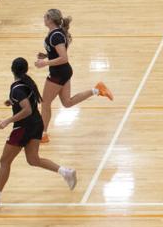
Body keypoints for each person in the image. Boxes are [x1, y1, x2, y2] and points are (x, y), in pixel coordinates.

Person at [0, 58, 79, 208]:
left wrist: (7, 121)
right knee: (33, 160)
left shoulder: (16, 88)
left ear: (12, 70)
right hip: (36, 124)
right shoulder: (27, 82)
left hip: (23, 128)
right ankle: (66, 172)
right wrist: (11, 101)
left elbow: (27, 109)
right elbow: (27, 101)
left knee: (5, 161)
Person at [34, 8, 113, 136]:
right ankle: (97, 90)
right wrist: (46, 55)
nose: (43, 19)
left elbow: (64, 58)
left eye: (45, 17)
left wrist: (45, 63)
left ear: (50, 20)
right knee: (67, 103)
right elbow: (57, 53)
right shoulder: (54, 32)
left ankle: (42, 134)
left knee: (45, 103)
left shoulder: (56, 36)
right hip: (63, 72)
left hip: (58, 73)